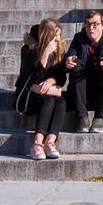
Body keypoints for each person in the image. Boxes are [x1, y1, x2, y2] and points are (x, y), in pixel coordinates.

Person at [13, 17, 68, 160]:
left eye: (59, 35)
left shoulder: (59, 50)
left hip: (47, 94)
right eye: (55, 35)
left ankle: (50, 142)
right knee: (49, 101)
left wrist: (52, 80)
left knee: (61, 101)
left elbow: (62, 77)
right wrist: (44, 55)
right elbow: (32, 79)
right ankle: (37, 144)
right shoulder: (28, 50)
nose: (58, 39)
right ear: (46, 35)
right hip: (28, 97)